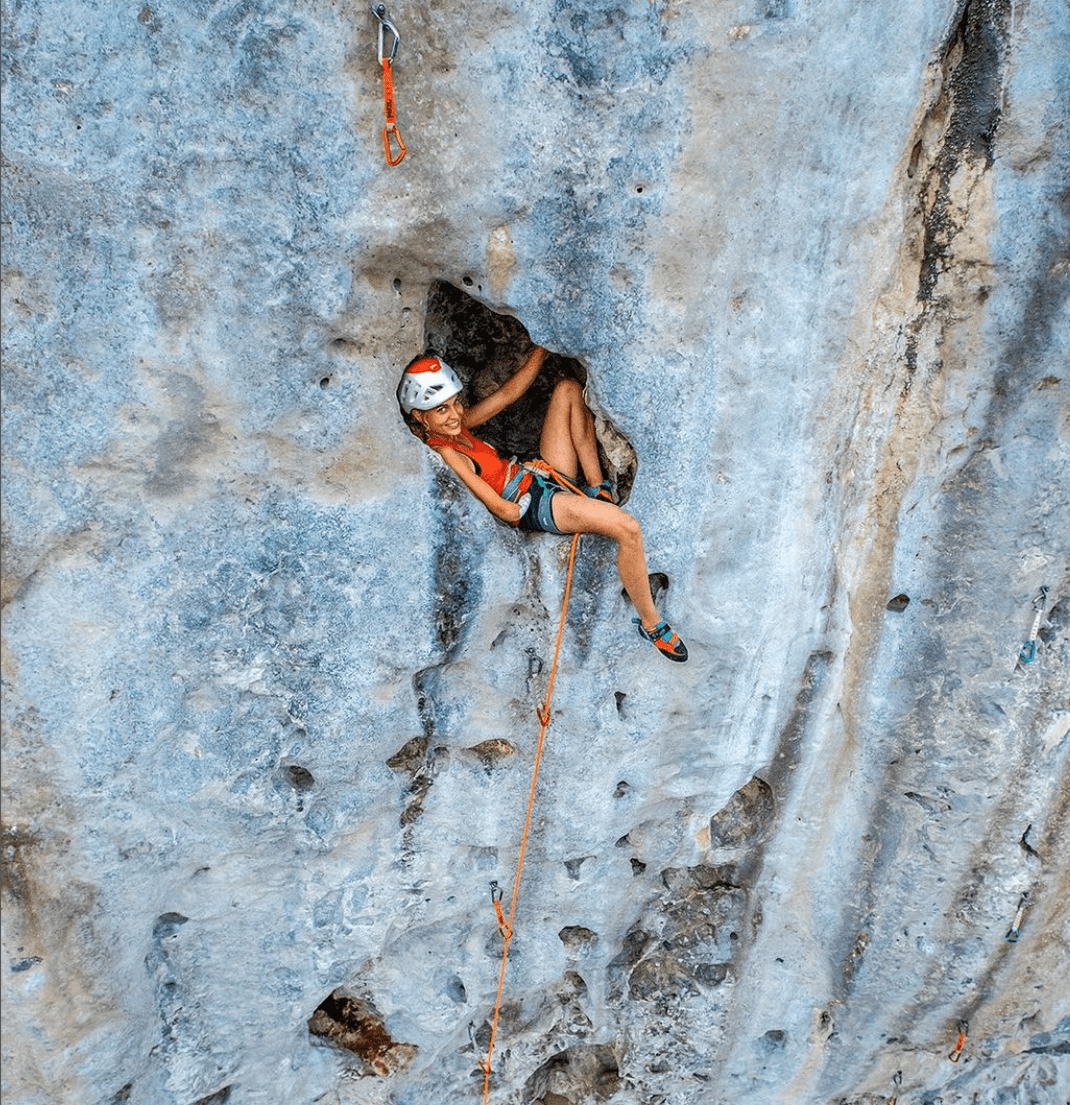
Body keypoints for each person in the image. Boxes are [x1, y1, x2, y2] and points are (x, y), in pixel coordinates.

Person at [397, 345, 688, 662]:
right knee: (627, 528)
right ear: (419, 417)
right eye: (442, 410)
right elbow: (502, 508)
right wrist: (523, 497)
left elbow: (508, 394)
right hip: (537, 505)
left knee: (567, 391)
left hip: (536, 477)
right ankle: (651, 623)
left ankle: (596, 488)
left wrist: (541, 349)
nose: (455, 414)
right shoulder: (449, 454)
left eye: (455, 404)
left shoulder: (457, 428)